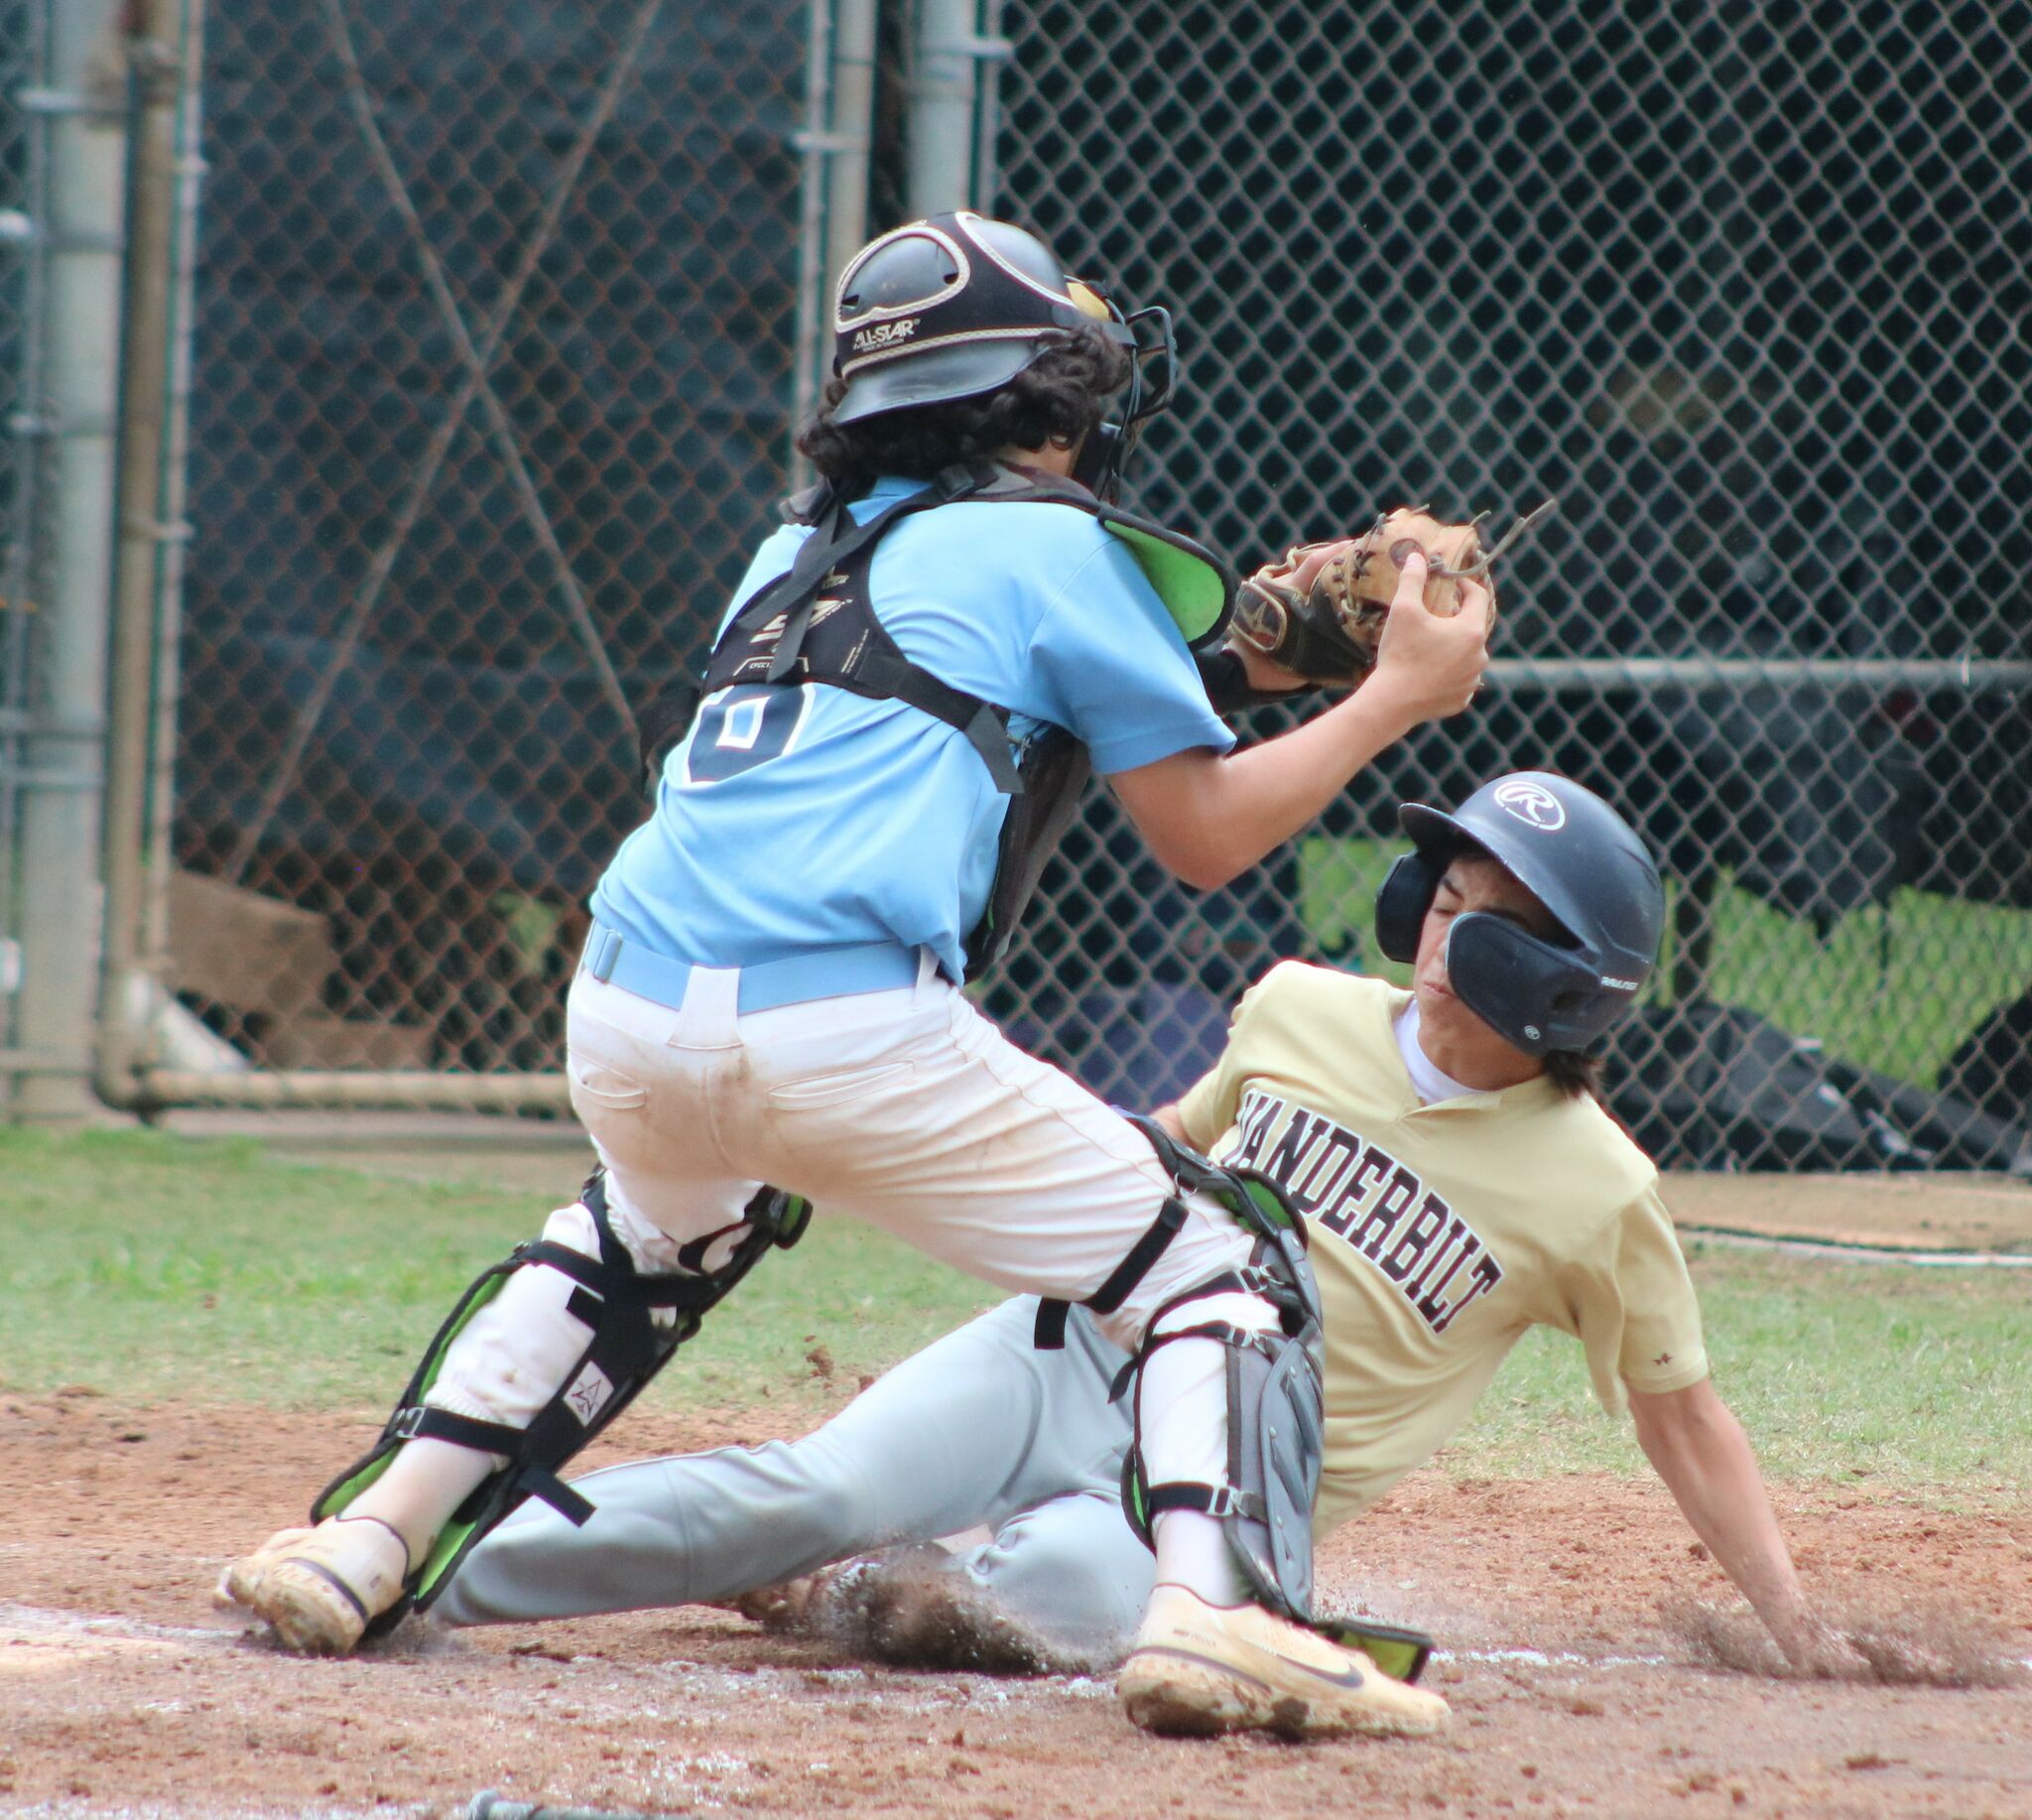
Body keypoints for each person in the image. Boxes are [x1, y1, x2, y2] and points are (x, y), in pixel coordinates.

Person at [218, 209, 1489, 1742]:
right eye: (1070, 398)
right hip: (842, 1025)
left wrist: (1274, 651)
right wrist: (1396, 699)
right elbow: (1204, 832)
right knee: (1220, 1269)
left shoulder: (792, 552)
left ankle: (366, 1540)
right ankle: (1216, 1611)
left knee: (635, 1247)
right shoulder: (1051, 540)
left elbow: (1030, 691)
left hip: (625, 1009)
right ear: (1036, 404)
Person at [423, 772, 1864, 1687]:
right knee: (809, 1486)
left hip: (1219, 1480)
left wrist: (1791, 1618)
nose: (1438, 929)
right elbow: (1157, 1149)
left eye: (1489, 917)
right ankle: (411, 1549)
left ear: (1565, 986)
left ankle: (847, 1594)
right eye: (1446, 894)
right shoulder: (1299, 1004)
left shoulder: (1596, 1187)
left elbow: (1684, 1418)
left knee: (1048, 1593)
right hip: (1064, 1353)